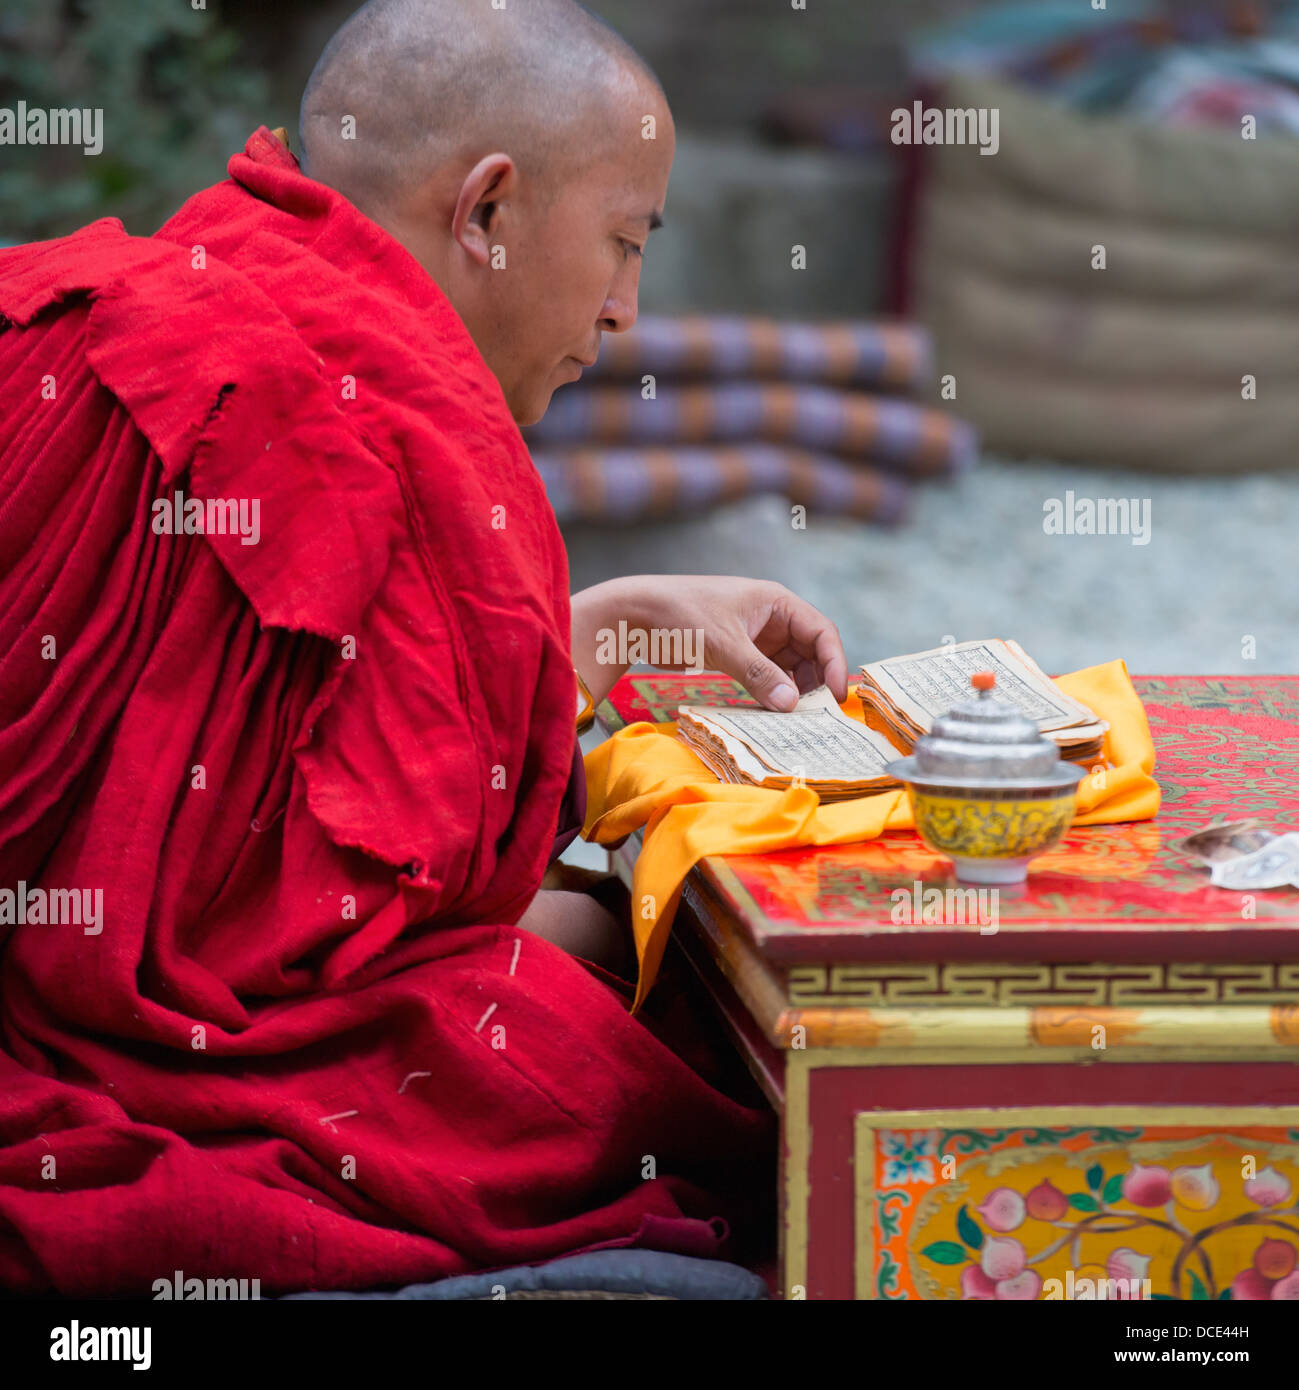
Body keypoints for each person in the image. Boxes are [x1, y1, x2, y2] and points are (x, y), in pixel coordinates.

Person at [0, 0, 845, 1295]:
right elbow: (344, 927)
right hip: (117, 1058)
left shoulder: (96, 303)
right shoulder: (379, 427)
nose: (624, 310)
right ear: (488, 212)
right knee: (647, 1036)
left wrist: (602, 624)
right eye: (623, 243)